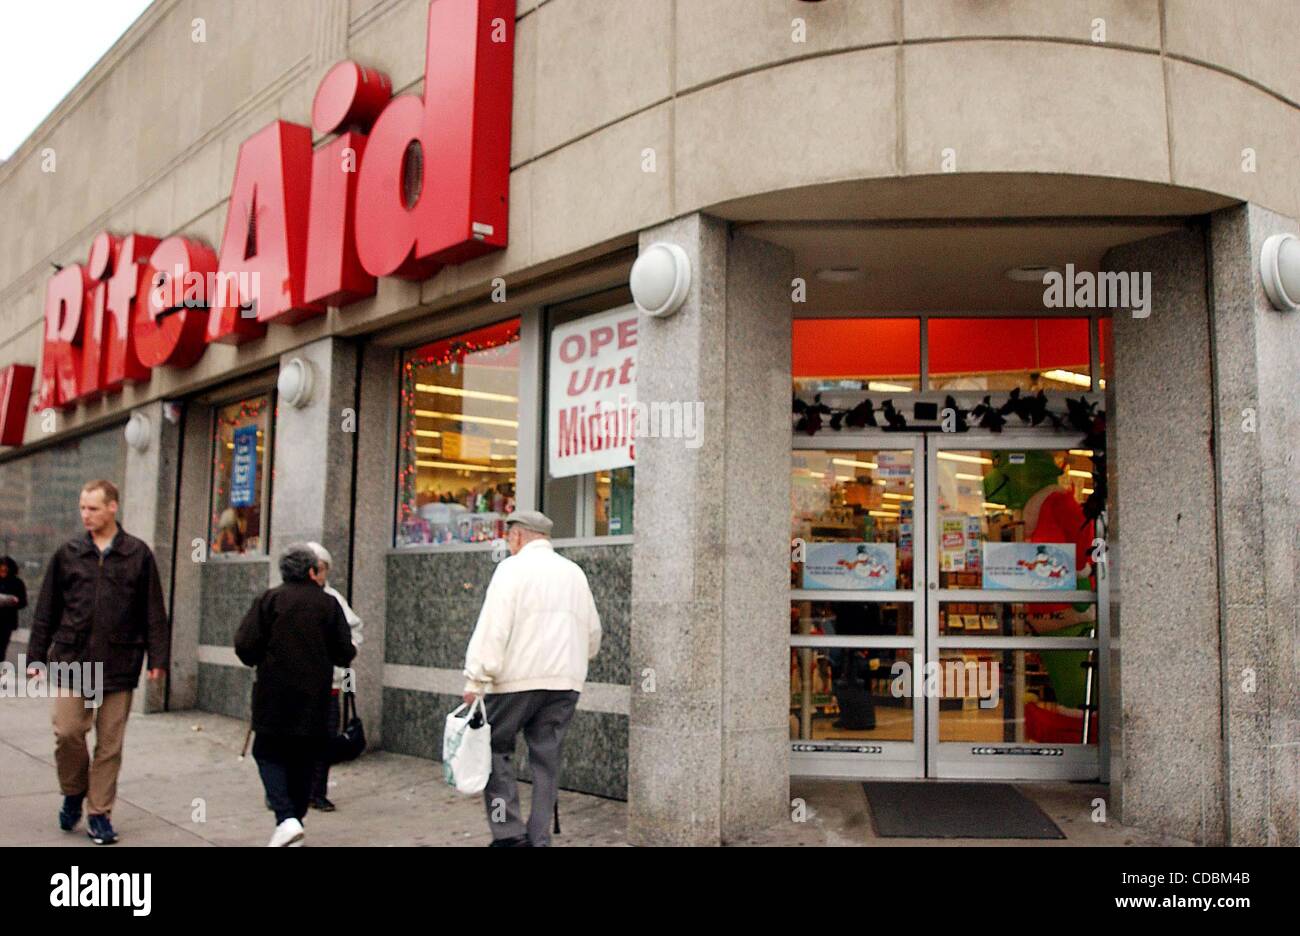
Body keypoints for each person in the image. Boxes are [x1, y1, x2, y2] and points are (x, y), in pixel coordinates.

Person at [26, 479, 169, 845]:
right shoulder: (69, 552)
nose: (85, 515)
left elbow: (153, 610)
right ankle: (74, 790)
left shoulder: (137, 554)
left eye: (92, 508)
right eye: (82, 508)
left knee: (110, 745)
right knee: (68, 733)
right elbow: (47, 609)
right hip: (73, 661)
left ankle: (99, 813)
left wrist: (158, 657)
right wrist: (36, 656)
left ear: (112, 508)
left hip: (120, 660)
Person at [461, 510, 601, 847]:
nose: (509, 545)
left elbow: (494, 627)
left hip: (515, 683)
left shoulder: (511, 569)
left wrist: (476, 679)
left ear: (519, 536)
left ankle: (507, 832)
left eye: (509, 538)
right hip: (564, 682)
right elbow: (593, 632)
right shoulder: (574, 573)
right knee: (546, 760)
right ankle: (539, 838)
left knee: (493, 751)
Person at [235, 544, 355, 847]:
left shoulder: (269, 599)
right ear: (313, 571)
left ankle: (286, 819)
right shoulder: (329, 604)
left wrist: (264, 657)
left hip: (273, 697)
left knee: (268, 753)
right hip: (316, 698)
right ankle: (294, 822)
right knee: (305, 760)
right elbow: (344, 652)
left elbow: (245, 645)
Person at [305, 541, 362, 811]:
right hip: (295, 686)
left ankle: (317, 791)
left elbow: (353, 631)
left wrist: (346, 655)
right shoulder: (283, 597)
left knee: (324, 739)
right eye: (317, 568)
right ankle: (289, 790)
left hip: (328, 684)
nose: (320, 574)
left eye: (323, 568)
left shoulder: (333, 599)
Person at [0, 555, 27, 662]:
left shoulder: (17, 583)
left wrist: (14, 602)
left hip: (7, 622)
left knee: (1, 647)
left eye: (5, 570)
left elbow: (23, 602)